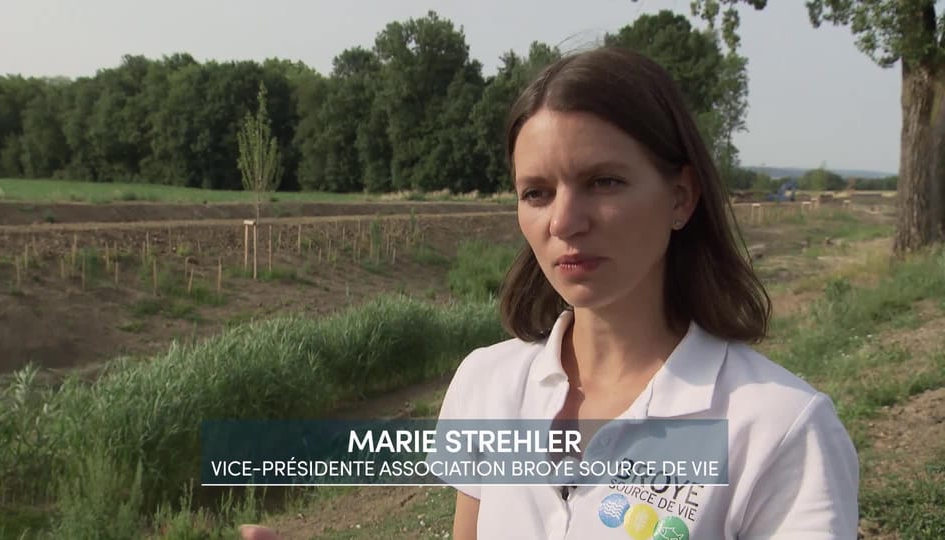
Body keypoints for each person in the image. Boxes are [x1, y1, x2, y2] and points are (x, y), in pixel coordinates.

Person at [241, 46, 859, 539]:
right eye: (537, 192)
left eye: (604, 181)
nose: (564, 221)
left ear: (681, 196)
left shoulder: (778, 428)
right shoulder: (487, 385)